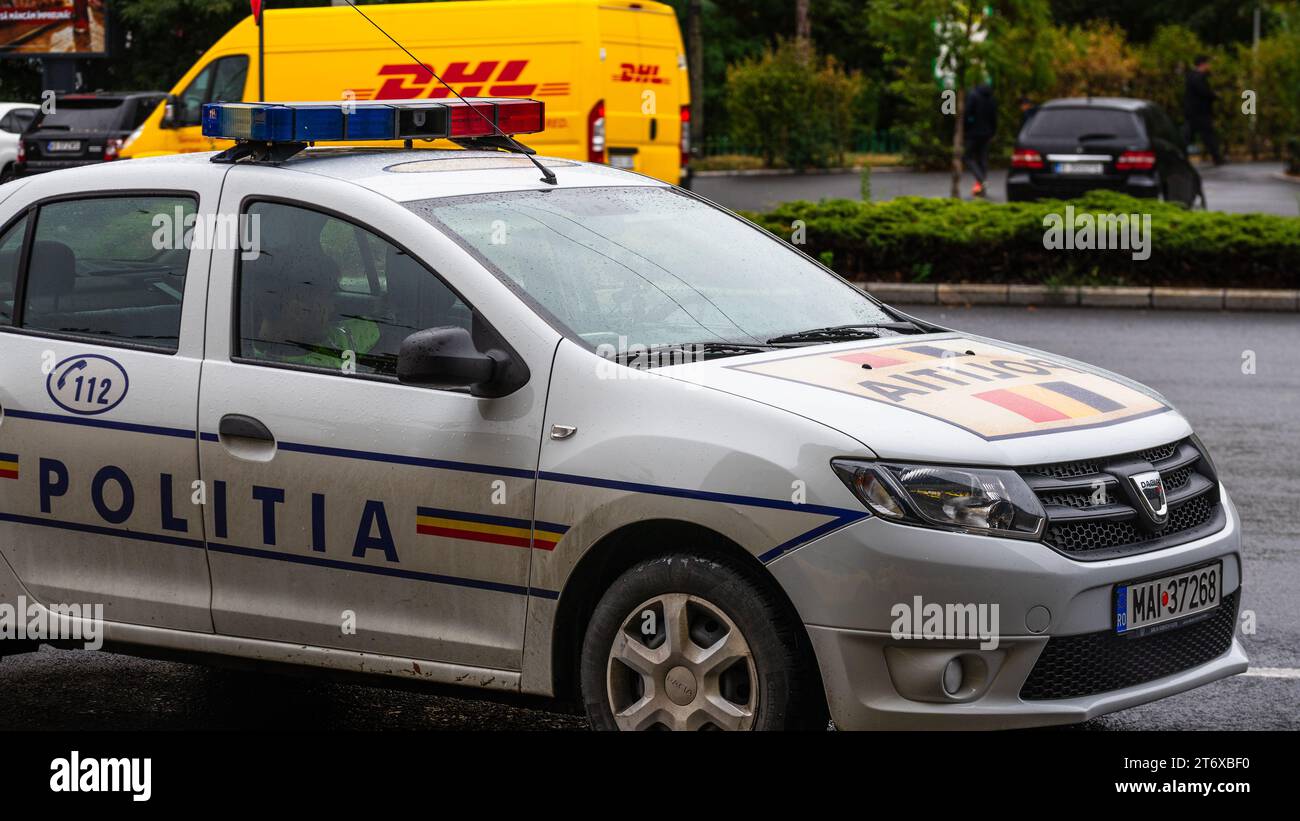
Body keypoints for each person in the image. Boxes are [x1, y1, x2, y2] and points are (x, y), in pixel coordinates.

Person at [1183, 55, 1224, 166]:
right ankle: (1217, 158)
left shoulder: (1191, 76)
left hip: (1193, 112)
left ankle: (1180, 157)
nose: (1209, 66)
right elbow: (1204, 92)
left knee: (1188, 136)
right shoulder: (1198, 77)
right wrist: (1215, 96)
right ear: (1202, 64)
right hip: (1200, 112)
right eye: (1208, 64)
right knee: (1208, 135)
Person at [964, 83, 997, 197]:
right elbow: (994, 117)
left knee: (967, 157)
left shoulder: (973, 96)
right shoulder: (991, 98)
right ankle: (981, 188)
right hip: (987, 133)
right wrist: (993, 132)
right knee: (982, 159)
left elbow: (967, 113)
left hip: (974, 133)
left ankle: (981, 180)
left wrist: (966, 128)